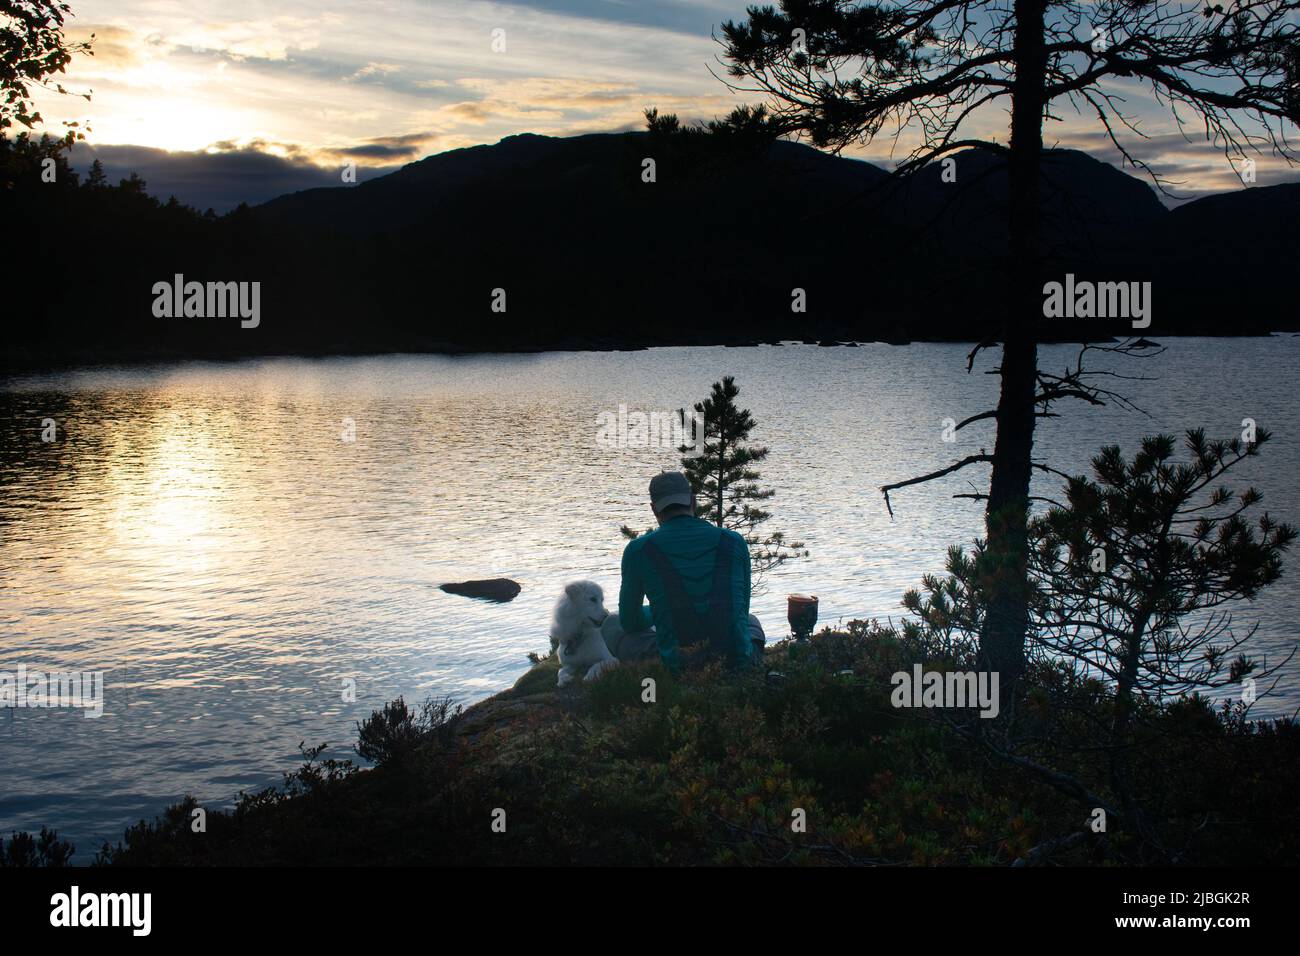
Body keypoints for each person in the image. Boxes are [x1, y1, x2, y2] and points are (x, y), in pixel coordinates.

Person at [603, 471, 765, 671]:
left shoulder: (638, 550)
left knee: (612, 624)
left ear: (654, 510)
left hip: (679, 667)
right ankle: (749, 663)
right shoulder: (734, 541)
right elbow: (741, 609)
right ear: (693, 502)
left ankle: (657, 672)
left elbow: (630, 622)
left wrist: (659, 613)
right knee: (750, 621)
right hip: (736, 663)